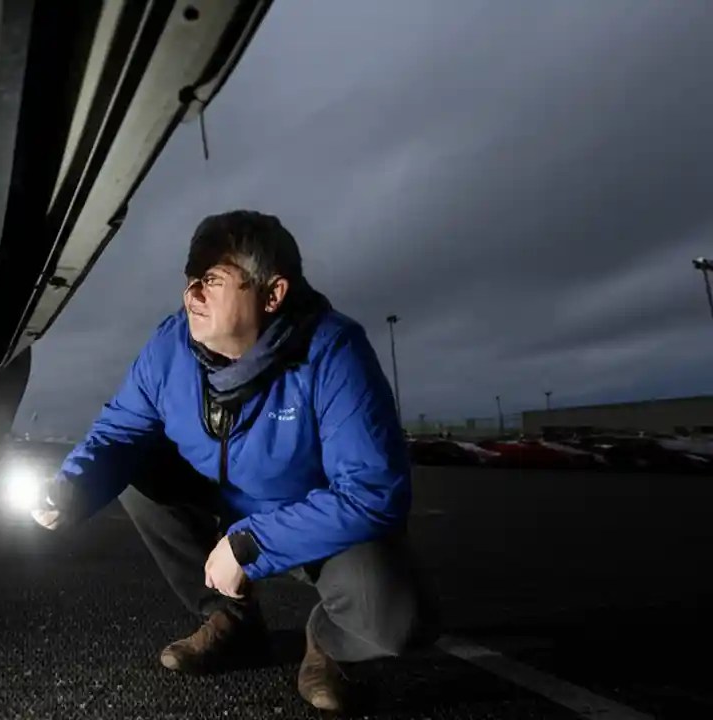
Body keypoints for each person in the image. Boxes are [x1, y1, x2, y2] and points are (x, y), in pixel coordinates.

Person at [30, 210, 439, 712]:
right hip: (223, 503)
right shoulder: (169, 346)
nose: (192, 295)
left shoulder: (334, 352)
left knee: (395, 617)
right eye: (190, 280)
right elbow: (120, 431)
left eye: (212, 281)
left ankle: (330, 648)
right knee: (134, 467)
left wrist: (250, 544)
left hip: (308, 518)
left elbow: (374, 492)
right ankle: (232, 621)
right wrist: (71, 487)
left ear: (272, 295)